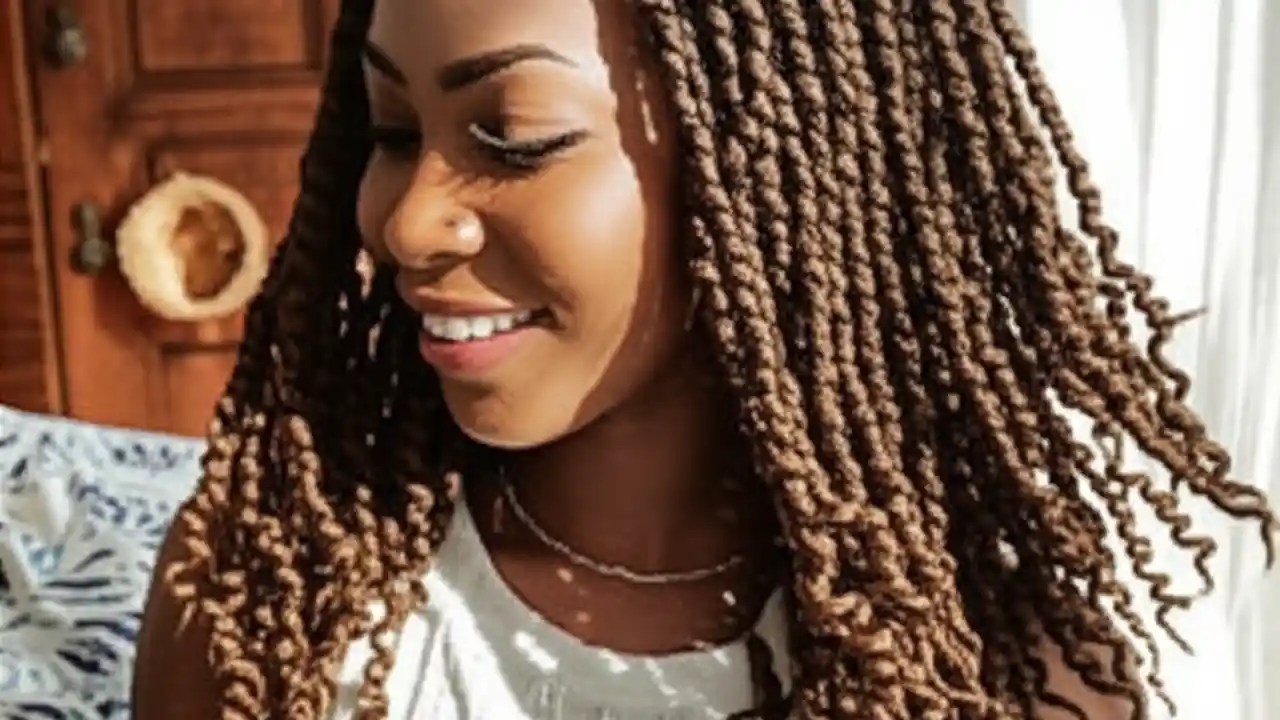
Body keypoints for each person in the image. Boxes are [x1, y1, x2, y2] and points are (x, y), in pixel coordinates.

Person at [131, 0, 1276, 718]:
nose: (409, 222)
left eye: (513, 138)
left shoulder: (1008, 679)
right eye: (391, 133)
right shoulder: (266, 593)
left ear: (778, 171)